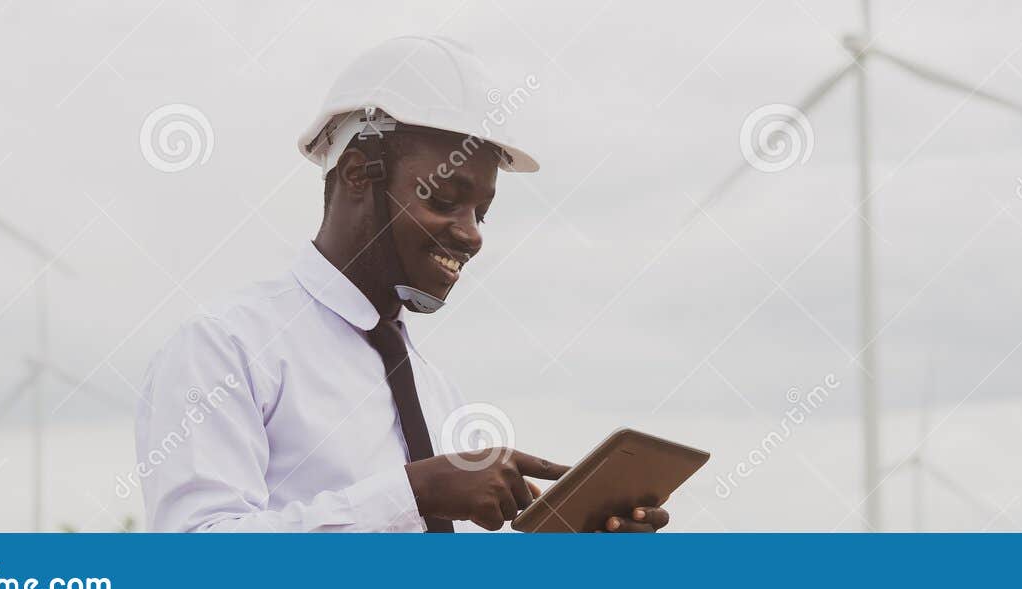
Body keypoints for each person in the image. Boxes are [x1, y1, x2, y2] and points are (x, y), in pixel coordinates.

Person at [133, 36, 671, 533]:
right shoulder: (225, 348)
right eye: (443, 200)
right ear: (356, 174)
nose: (470, 235)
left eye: (481, 212)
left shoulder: (435, 390)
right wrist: (416, 492)